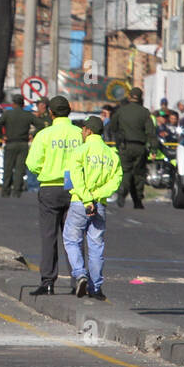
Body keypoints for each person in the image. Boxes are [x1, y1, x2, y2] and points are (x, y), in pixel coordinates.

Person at [26, 96, 82, 296]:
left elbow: (32, 163)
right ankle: (79, 279)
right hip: (75, 188)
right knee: (73, 237)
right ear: (70, 110)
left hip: (50, 187)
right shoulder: (80, 134)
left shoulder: (44, 134)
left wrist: (46, 170)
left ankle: (48, 281)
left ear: (51, 113)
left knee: (49, 236)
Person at [63, 115, 123, 301]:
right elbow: (117, 179)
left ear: (88, 130)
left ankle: (80, 274)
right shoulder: (112, 154)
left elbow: (75, 178)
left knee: (71, 240)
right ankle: (95, 287)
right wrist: (97, 196)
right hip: (100, 204)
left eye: (83, 129)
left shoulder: (80, 151)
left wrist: (87, 198)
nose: (81, 132)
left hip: (80, 202)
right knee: (96, 246)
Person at [110, 88, 158, 209]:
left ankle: (122, 192)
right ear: (141, 98)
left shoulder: (121, 111)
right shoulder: (145, 112)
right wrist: (153, 149)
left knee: (125, 172)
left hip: (124, 146)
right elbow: (151, 133)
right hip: (140, 147)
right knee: (139, 174)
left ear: (129, 97)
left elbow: (112, 126)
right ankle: (138, 200)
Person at [0, 94, 36, 197]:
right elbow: (41, 124)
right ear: (23, 104)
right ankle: (17, 191)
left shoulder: (8, 114)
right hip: (23, 144)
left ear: (13, 104)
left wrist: (1, 136)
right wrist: (31, 134)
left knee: (8, 168)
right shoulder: (27, 115)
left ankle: (5, 191)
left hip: (10, 143)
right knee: (20, 169)